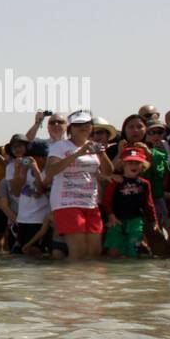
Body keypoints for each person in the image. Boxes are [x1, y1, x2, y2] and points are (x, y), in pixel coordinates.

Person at [44, 111, 112, 261]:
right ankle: (71, 283)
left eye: (87, 124)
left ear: (91, 127)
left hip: (90, 202)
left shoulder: (94, 147)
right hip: (66, 202)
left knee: (95, 251)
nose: (83, 127)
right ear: (70, 128)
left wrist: (101, 154)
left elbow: (108, 172)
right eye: (78, 125)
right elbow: (50, 172)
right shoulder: (60, 146)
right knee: (78, 252)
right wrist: (77, 154)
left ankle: (89, 283)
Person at [102, 146, 157, 259]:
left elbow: (148, 204)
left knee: (134, 249)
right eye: (130, 163)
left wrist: (154, 221)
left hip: (135, 220)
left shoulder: (145, 184)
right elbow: (106, 201)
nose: (133, 165)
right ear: (123, 165)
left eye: (137, 163)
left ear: (142, 166)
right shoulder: (115, 181)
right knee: (114, 250)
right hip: (116, 220)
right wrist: (111, 215)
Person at [7, 140, 52, 256]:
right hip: (23, 219)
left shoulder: (48, 171)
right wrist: (19, 169)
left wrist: (35, 169)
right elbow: (16, 192)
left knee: (35, 254)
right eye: (33, 157)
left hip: (39, 220)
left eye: (42, 157)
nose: (39, 159)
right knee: (18, 254)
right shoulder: (24, 169)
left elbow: (41, 190)